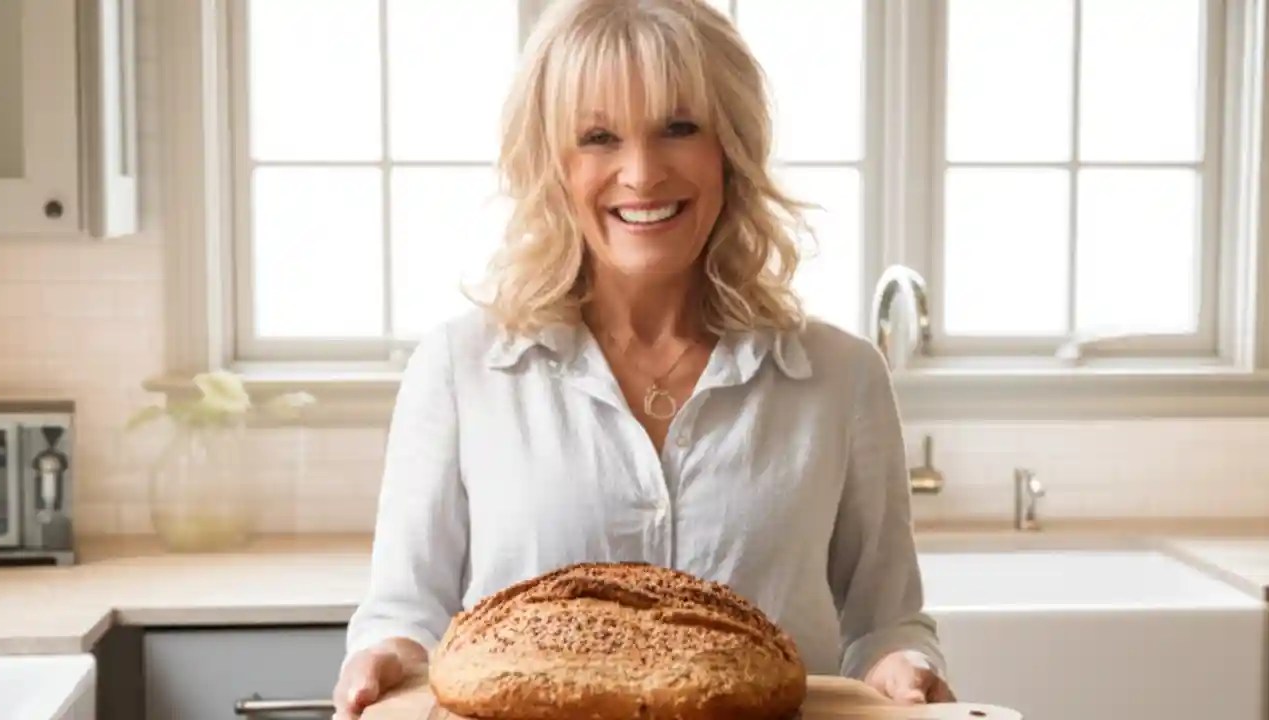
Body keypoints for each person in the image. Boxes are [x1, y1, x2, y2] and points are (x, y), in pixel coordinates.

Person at [332, 0, 954, 717]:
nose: (642, 173)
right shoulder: (460, 369)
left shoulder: (840, 378)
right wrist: (383, 656)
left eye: (678, 128)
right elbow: (405, 617)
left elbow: (885, 623)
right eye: (598, 136)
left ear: (731, 146)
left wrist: (904, 665)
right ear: (552, 163)